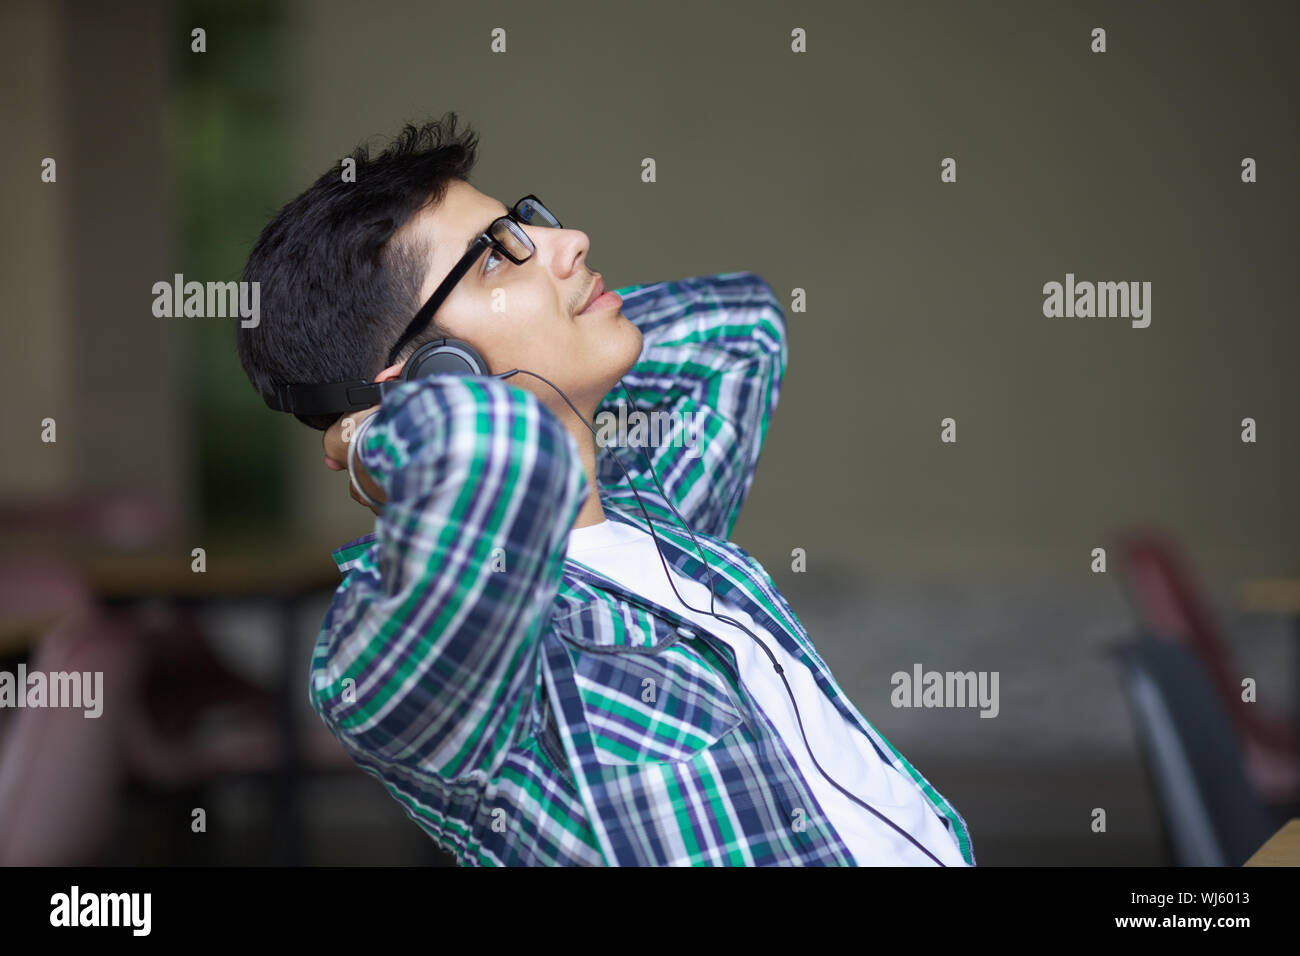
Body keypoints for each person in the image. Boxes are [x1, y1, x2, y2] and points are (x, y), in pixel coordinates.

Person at [237, 113, 975, 866]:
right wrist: (372, 434)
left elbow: (740, 327)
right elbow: (489, 453)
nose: (568, 241)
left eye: (523, 223)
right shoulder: (424, 656)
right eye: (496, 258)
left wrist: (554, 364)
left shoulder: (658, 509)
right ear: (435, 377)